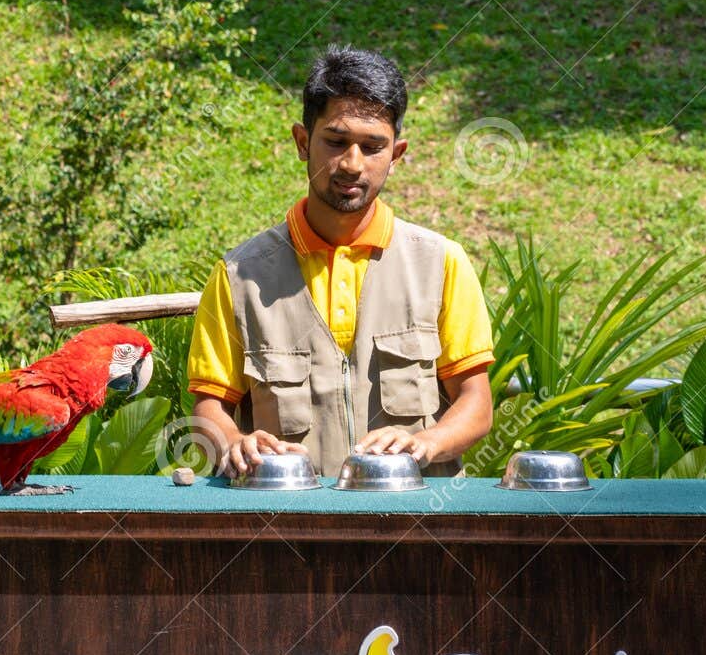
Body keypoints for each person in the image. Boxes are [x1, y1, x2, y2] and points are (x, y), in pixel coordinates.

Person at [187, 45, 495, 478]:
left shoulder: (442, 264)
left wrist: (427, 443)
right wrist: (236, 442)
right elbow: (209, 407)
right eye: (336, 141)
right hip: (288, 524)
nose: (352, 164)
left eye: (373, 147)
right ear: (301, 141)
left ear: (397, 154)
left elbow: (476, 406)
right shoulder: (240, 276)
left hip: (417, 524)